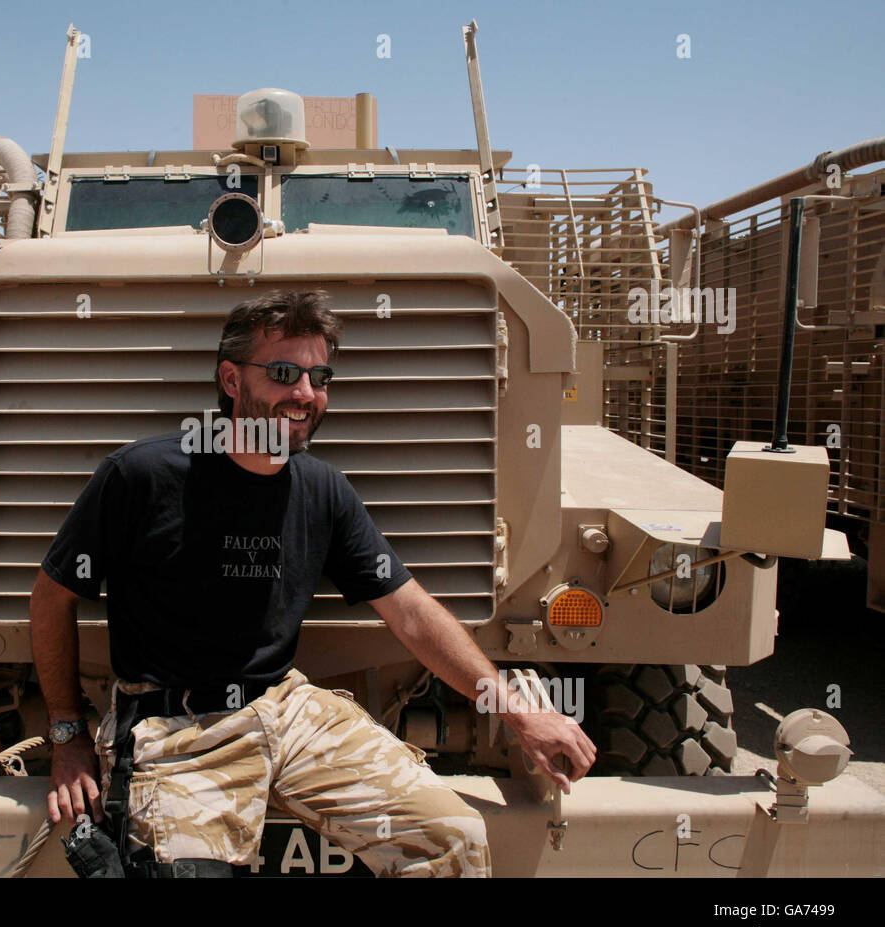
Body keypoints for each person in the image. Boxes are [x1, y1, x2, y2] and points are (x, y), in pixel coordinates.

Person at [31, 289, 595, 877]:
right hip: (179, 731)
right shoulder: (142, 477)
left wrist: (518, 713)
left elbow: (410, 612)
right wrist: (68, 736)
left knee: (452, 836)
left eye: (318, 376)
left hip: (287, 708)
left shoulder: (322, 489)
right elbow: (51, 600)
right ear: (231, 380)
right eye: (283, 373)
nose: (304, 394)